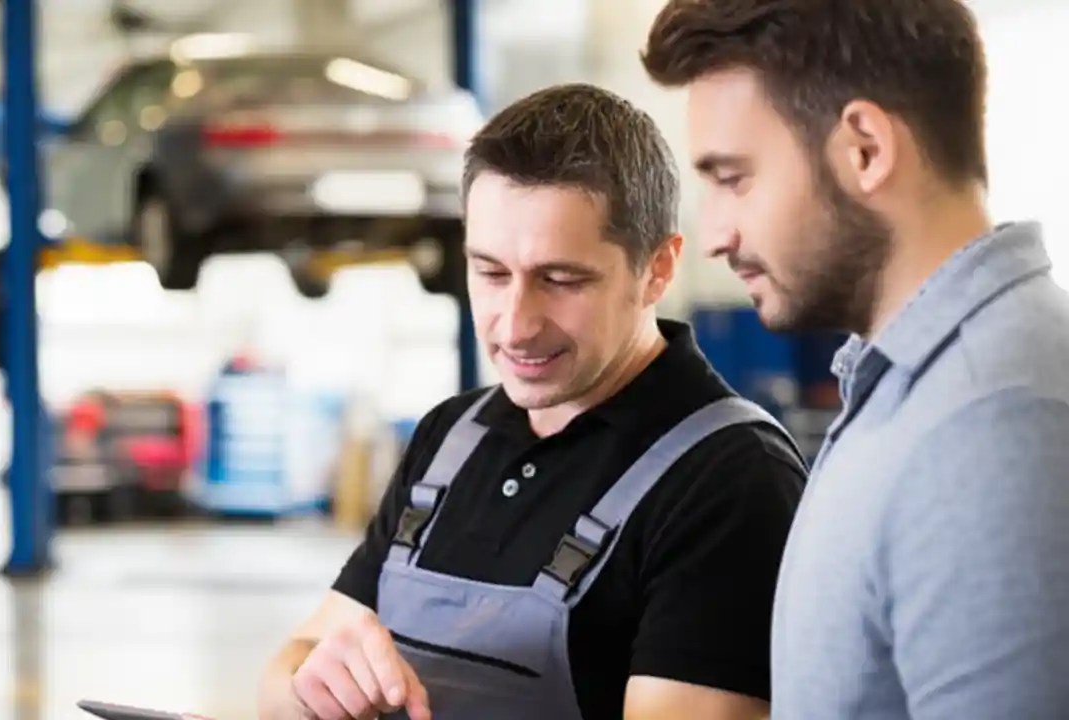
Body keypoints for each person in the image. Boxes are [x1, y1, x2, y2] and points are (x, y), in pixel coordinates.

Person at [256, 83, 807, 720]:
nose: (515, 324)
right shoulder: (449, 440)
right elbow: (288, 668)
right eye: (490, 273)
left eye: (560, 280)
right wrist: (312, 686)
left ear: (657, 268)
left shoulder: (729, 479)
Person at [642, 1, 1069, 718]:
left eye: (734, 178)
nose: (713, 233)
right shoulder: (909, 387)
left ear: (865, 149)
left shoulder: (992, 426)